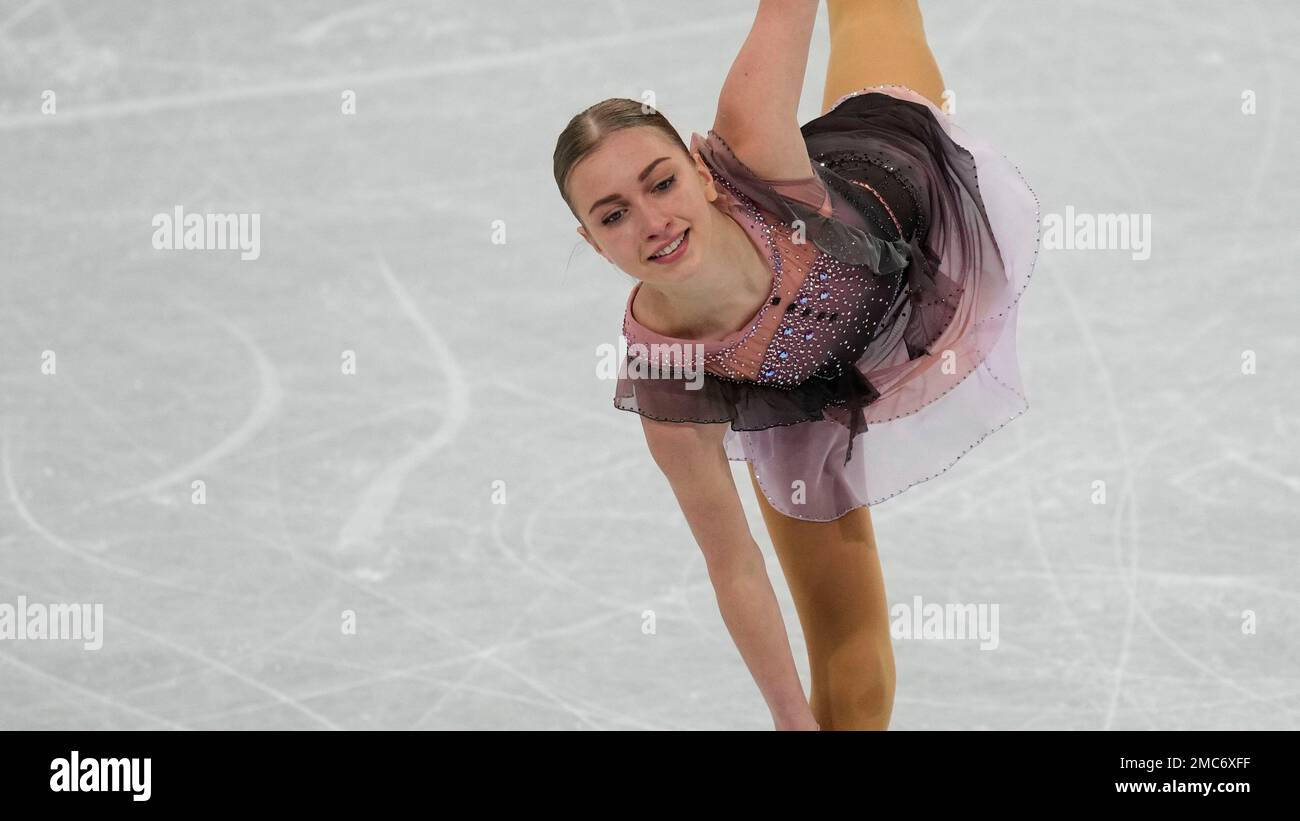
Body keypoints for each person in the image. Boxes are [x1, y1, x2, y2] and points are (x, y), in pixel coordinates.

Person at [552, 0, 1038, 730]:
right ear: (592, 243)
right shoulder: (667, 373)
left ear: (702, 169)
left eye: (661, 183)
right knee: (842, 637)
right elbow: (733, 562)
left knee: (874, 14)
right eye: (613, 215)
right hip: (796, 395)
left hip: (896, 195)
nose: (652, 223)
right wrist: (788, 715)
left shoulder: (747, 139)